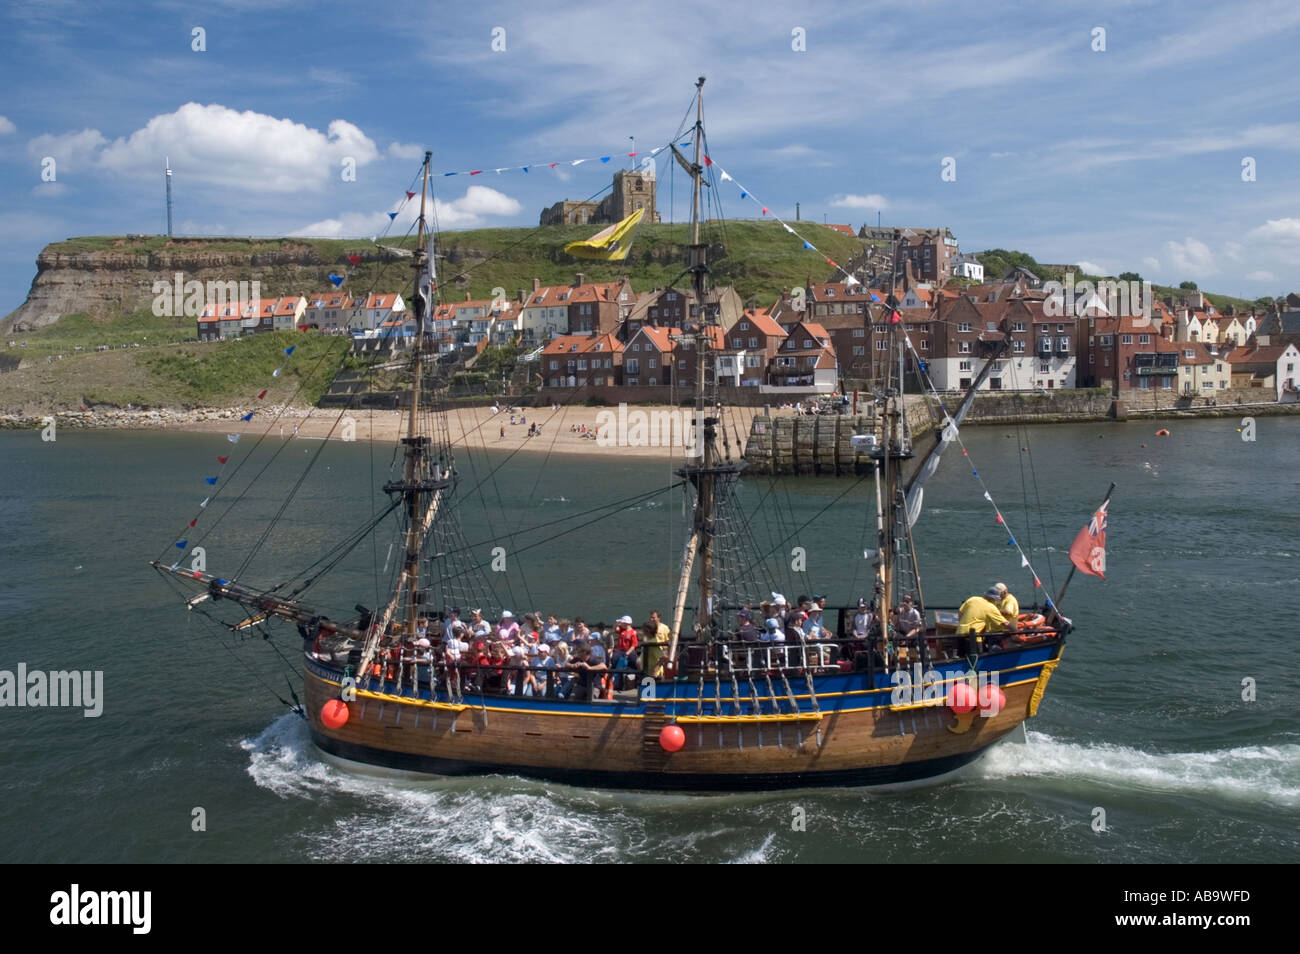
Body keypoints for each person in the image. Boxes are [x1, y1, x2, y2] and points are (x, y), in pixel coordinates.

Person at [642, 610, 671, 679]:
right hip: (650, 653)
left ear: (658, 618)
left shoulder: (664, 628)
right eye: (651, 617)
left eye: (653, 617)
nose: (651, 619)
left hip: (659, 652)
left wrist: (666, 651)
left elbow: (668, 641)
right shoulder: (649, 628)